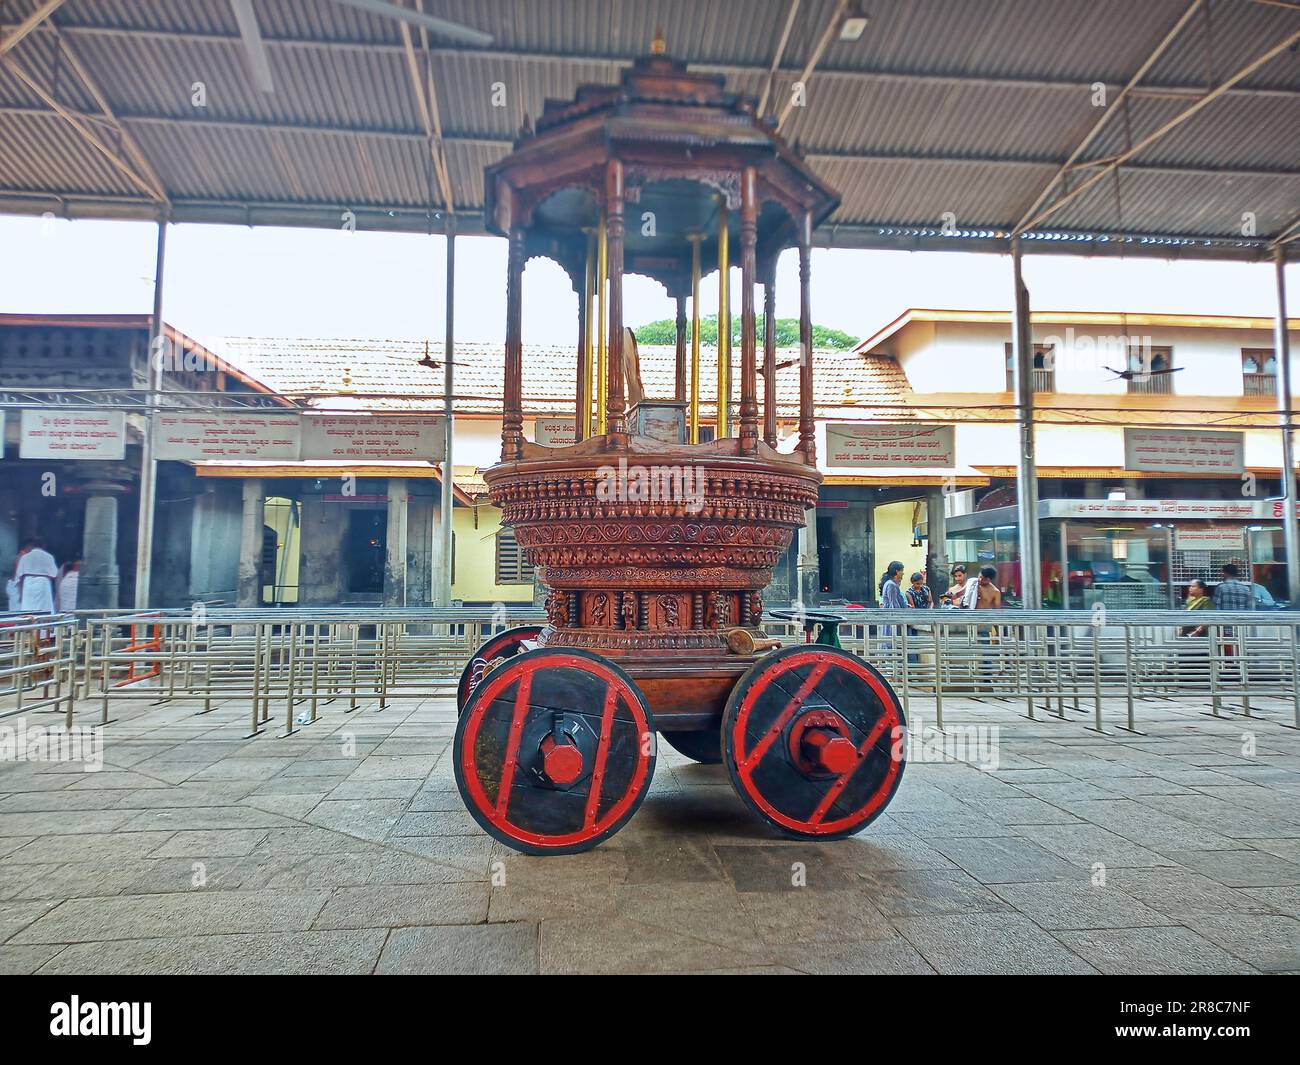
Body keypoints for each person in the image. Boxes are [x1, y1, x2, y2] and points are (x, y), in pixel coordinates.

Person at [15, 538, 58, 614]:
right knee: (44, 609)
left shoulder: (25, 557)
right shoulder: (49, 557)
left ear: (32, 545)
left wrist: (20, 593)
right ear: (44, 546)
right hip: (43, 584)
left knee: (28, 608)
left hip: (28, 584)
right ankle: (43, 624)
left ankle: (28, 624)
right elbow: (54, 574)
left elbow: (19, 576)